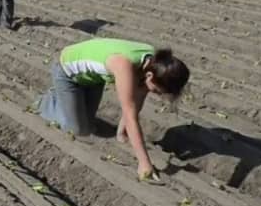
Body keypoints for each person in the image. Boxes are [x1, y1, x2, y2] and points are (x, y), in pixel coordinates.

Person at [36, 38, 189, 179]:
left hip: (94, 79)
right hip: (68, 74)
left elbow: (138, 98)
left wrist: (122, 131)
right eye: (157, 90)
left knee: (89, 126)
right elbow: (130, 113)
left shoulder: (155, 63)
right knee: (78, 129)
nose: (156, 94)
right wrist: (144, 163)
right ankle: (46, 102)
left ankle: (67, 101)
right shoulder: (124, 65)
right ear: (149, 76)